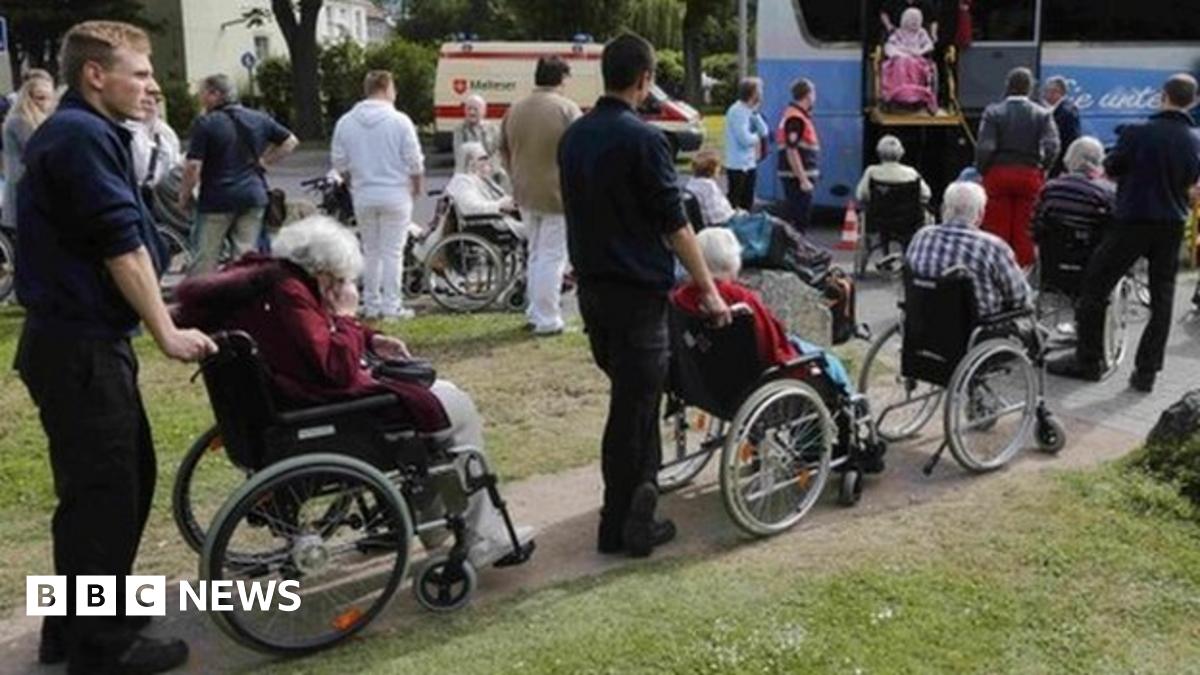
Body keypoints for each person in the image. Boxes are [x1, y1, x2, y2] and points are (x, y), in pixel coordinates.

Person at [14, 20, 217, 674]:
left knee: (111, 485)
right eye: (140, 70)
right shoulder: (79, 137)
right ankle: (103, 650)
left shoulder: (86, 132)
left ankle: (74, 626)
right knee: (106, 493)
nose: (152, 84)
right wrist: (166, 330)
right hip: (79, 347)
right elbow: (121, 248)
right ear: (94, 75)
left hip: (80, 343)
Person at [173, 215, 533, 563]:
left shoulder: (266, 283)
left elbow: (313, 338)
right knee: (456, 408)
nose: (343, 286)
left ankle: (428, 523)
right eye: (341, 279)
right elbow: (336, 369)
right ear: (323, 271)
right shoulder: (290, 294)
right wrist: (346, 316)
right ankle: (478, 533)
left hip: (281, 405)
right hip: (319, 412)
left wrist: (371, 339)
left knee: (442, 395)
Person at [560, 33, 732, 559]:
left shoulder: (576, 135)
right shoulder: (645, 140)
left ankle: (640, 504)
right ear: (645, 79)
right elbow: (676, 226)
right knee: (632, 412)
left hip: (593, 293)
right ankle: (621, 527)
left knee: (636, 402)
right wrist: (709, 290)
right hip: (636, 297)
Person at [1048, 74, 1200, 392]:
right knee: (1163, 299)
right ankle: (1146, 373)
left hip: (1132, 221)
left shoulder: (1137, 132)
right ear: (1193, 100)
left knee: (1095, 286)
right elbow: (1192, 181)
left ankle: (1088, 360)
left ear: (1163, 96)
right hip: (1171, 225)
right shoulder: (1194, 140)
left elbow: (1112, 167)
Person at [671, 227, 853, 396]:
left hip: (704, 379)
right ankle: (849, 400)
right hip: (752, 377)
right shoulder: (739, 298)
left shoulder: (682, 296)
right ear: (731, 262)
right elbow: (773, 343)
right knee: (828, 360)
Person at [179, 73, 298, 275]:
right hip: (253, 197)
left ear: (215, 94)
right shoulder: (259, 118)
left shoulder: (205, 123)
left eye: (202, 93)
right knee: (245, 257)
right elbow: (290, 141)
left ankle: (201, 300)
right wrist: (265, 161)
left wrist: (184, 196)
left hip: (216, 199)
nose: (200, 98)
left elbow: (193, 166)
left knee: (206, 257)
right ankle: (242, 301)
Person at [331, 69, 425, 320]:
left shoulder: (346, 121)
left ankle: (371, 302)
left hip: (364, 194)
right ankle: (391, 305)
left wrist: (353, 182)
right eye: (393, 88)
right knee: (393, 252)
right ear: (386, 88)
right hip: (395, 192)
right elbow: (414, 161)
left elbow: (339, 162)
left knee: (370, 251)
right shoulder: (400, 121)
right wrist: (416, 186)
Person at [499, 56, 581, 335]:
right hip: (557, 193)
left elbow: (503, 150)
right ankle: (548, 317)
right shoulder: (567, 109)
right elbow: (580, 151)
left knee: (534, 253)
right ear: (561, 79)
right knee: (553, 256)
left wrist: (514, 176)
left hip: (524, 191)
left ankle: (535, 311)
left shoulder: (515, 109)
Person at [976, 67, 1060, 268]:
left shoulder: (993, 112)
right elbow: (1052, 145)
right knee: (1025, 228)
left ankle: (997, 266)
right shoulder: (1043, 114)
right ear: (1030, 88)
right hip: (1029, 175)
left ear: (1007, 86)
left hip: (998, 174)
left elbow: (986, 146)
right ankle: (1022, 272)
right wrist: (1043, 168)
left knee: (996, 225)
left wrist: (983, 169)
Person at [907, 181, 1031, 318]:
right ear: (981, 215)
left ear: (943, 209)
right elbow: (1020, 298)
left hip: (924, 323)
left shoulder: (921, 236)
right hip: (978, 330)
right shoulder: (993, 247)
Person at [1030, 136, 1114, 244]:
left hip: (1052, 250)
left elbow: (1035, 223)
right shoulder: (1105, 191)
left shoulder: (1049, 188)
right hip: (1089, 251)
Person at [2, 69, 55, 234]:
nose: (46, 102)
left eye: (49, 97)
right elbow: (41, 152)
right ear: (28, 97)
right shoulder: (20, 121)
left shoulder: (39, 119)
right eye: (41, 97)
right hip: (24, 192)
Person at [444, 141, 524, 237]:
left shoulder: (482, 178)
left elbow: (500, 195)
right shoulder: (462, 181)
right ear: (470, 161)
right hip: (487, 223)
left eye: (487, 157)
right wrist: (500, 205)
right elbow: (472, 208)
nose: (487, 161)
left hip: (498, 218)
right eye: (482, 158)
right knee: (534, 231)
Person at [776, 78, 820, 234]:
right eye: (813, 93)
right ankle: (797, 253)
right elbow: (791, 150)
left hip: (794, 175)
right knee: (799, 219)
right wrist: (803, 179)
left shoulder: (796, 115)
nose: (815, 97)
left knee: (797, 217)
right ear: (808, 95)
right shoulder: (795, 118)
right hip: (795, 177)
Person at [722, 77, 769, 211]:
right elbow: (744, 139)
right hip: (737, 165)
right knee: (735, 202)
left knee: (748, 202)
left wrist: (756, 114)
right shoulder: (738, 111)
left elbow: (765, 131)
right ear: (752, 93)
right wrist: (758, 137)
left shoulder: (749, 110)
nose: (762, 93)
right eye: (760, 90)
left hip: (749, 163)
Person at [881, 8, 938, 113]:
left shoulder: (921, 33)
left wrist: (919, 52)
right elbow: (889, 47)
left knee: (914, 64)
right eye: (911, 19)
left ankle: (916, 93)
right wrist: (900, 54)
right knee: (901, 62)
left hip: (917, 59)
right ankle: (899, 92)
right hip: (900, 58)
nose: (914, 22)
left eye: (916, 19)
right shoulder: (898, 33)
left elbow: (929, 45)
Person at [127, 79, 180, 190]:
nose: (150, 103)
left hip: (153, 193)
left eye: (154, 99)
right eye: (144, 100)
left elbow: (173, 162)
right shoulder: (124, 128)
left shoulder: (165, 132)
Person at [855, 134, 932, 205]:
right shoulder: (911, 173)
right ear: (901, 153)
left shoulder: (871, 172)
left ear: (878, 152)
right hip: (908, 218)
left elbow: (861, 196)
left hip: (877, 217)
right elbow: (926, 195)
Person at [1043, 76, 1080, 177]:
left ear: (1060, 93)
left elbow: (1071, 139)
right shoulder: (1051, 109)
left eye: (1051, 91)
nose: (1047, 95)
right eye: (1046, 91)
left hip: (1060, 164)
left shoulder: (1067, 112)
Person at [453, 94, 500, 172]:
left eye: (475, 109)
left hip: (490, 171)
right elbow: (459, 154)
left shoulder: (493, 128)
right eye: (469, 109)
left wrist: (490, 166)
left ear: (484, 111)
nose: (472, 112)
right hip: (468, 173)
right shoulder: (460, 129)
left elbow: (498, 153)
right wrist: (479, 166)